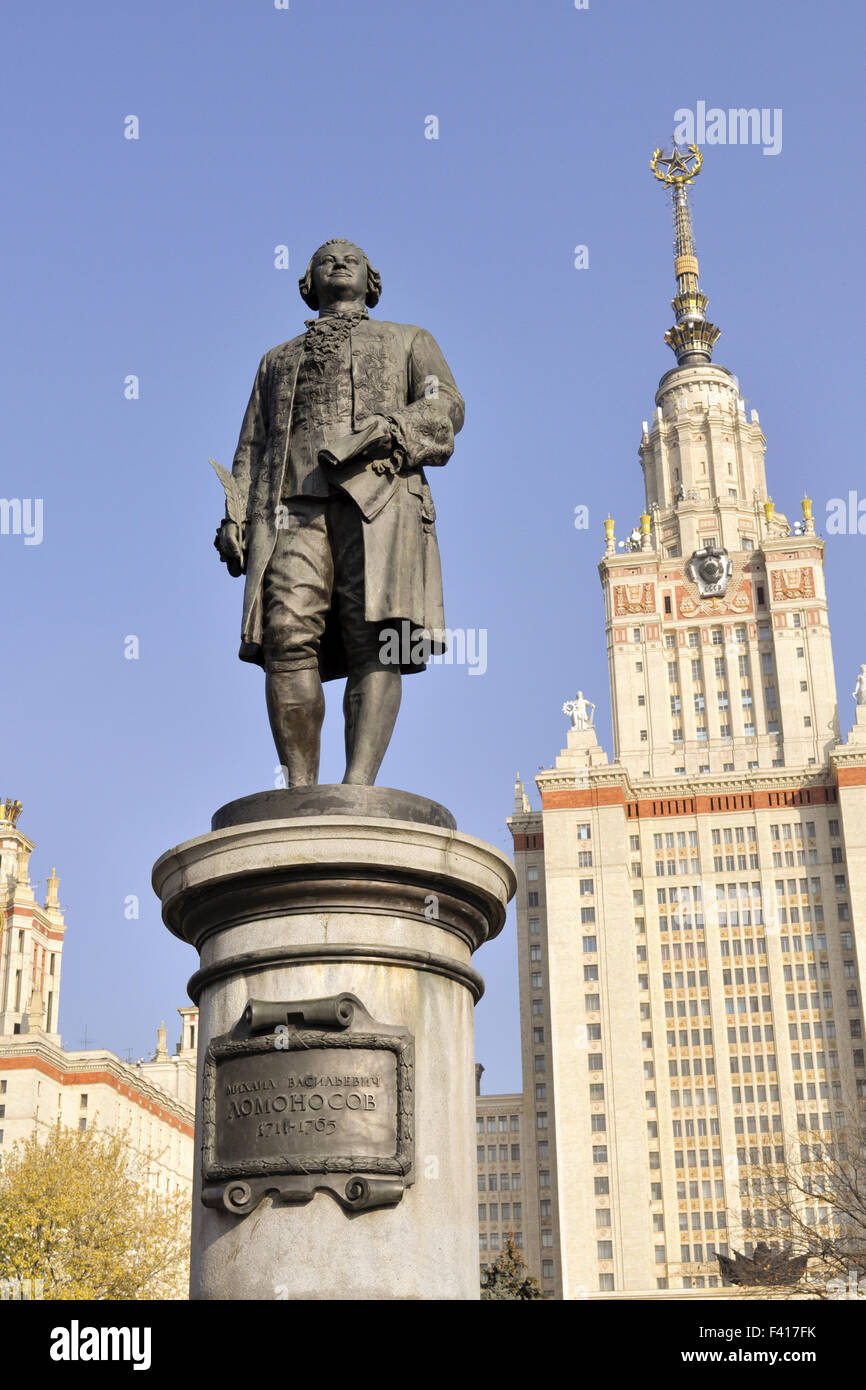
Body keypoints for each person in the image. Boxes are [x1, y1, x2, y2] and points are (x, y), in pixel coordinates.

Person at [214, 239, 464, 787]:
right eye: (325, 258)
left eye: (352, 257)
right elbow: (252, 445)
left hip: (380, 497)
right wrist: (235, 514)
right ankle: (300, 788)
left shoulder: (408, 340)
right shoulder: (276, 359)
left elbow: (445, 404)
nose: (339, 261)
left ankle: (357, 787)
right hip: (289, 508)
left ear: (372, 277)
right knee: (285, 634)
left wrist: (393, 430)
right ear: (309, 281)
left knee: (377, 636)